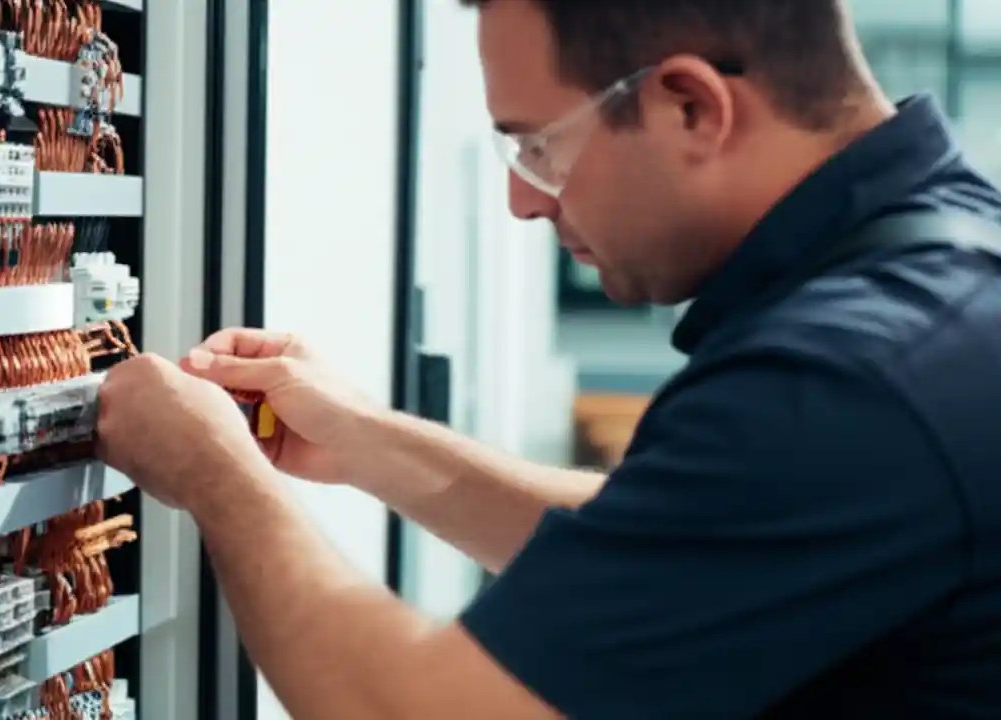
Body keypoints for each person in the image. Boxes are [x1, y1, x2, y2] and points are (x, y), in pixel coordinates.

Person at [97, 0, 1001, 716]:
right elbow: (688, 540)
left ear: (690, 106)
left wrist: (215, 478)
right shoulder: (946, 268)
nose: (523, 202)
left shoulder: (849, 379)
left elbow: (413, 711)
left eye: (539, 145)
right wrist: (368, 443)